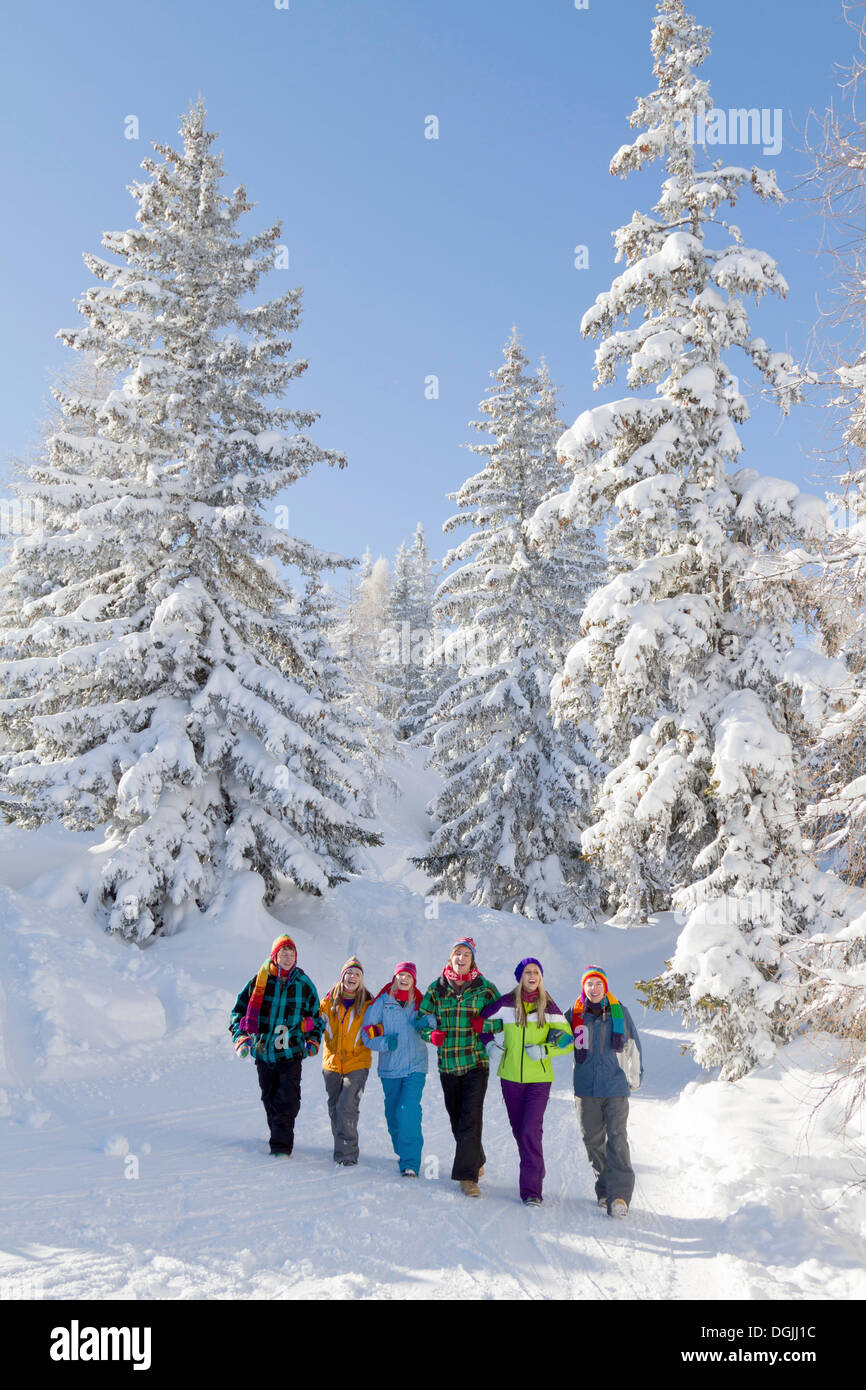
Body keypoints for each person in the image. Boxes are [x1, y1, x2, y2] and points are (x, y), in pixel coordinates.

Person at [479, 957, 573, 1206]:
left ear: (541, 977)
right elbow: (480, 1023)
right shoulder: (507, 1004)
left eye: (536, 973)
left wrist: (545, 1050)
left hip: (539, 1080)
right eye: (527, 972)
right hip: (510, 1078)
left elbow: (569, 1040)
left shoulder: (549, 1005)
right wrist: (489, 1044)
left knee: (531, 1130)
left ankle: (532, 1189)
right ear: (520, 977)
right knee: (520, 1131)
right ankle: (535, 1170)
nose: (532, 976)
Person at [418, 937, 500, 1198]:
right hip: (448, 1064)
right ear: (450, 958)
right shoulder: (436, 988)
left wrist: (485, 1026)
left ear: (472, 959)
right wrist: (430, 1035)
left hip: (476, 1062)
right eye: (457, 954)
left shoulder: (485, 988)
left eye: (466, 954)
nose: (461, 958)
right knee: (457, 1120)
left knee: (470, 1118)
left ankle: (467, 1178)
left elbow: (502, 1020)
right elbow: (420, 1020)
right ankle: (477, 1157)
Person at [229, 934, 323, 1158]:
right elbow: (238, 1012)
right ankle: (279, 1130)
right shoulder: (259, 981)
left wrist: (312, 1040)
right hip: (264, 1052)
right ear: (274, 956)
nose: (288, 958)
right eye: (283, 953)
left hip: (291, 1052)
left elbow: (317, 1018)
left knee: (287, 1100)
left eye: (291, 954)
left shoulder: (304, 984)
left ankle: (281, 1148)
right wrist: (241, 1037)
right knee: (270, 1099)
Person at [565, 966, 643, 1217]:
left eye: (598, 984)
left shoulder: (619, 1013)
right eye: (590, 984)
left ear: (605, 986)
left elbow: (633, 1046)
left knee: (617, 1139)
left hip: (615, 1087)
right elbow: (555, 1036)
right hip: (586, 1088)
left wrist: (634, 1077)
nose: (594, 989)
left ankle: (619, 1196)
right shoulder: (574, 1015)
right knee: (592, 1140)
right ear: (584, 987)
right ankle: (605, 1189)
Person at [361, 961, 433, 1177]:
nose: (404, 979)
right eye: (401, 975)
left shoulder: (420, 1003)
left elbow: (435, 1020)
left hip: (416, 1066)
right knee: (393, 1115)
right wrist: (384, 1043)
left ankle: (410, 1161)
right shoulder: (382, 1003)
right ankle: (403, 1151)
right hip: (390, 1068)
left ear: (414, 980)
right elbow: (366, 1034)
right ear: (395, 978)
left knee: (408, 1110)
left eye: (408, 976)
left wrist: (427, 1022)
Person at [319, 956, 374, 1166]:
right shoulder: (327, 1003)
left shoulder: (369, 1004)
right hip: (331, 1063)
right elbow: (315, 1025)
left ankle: (347, 1156)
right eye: (349, 973)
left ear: (361, 979)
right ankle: (341, 1147)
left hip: (357, 1062)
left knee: (346, 1106)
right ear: (342, 977)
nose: (352, 977)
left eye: (357, 974)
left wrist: (378, 1032)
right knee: (335, 1107)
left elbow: (381, 1023)